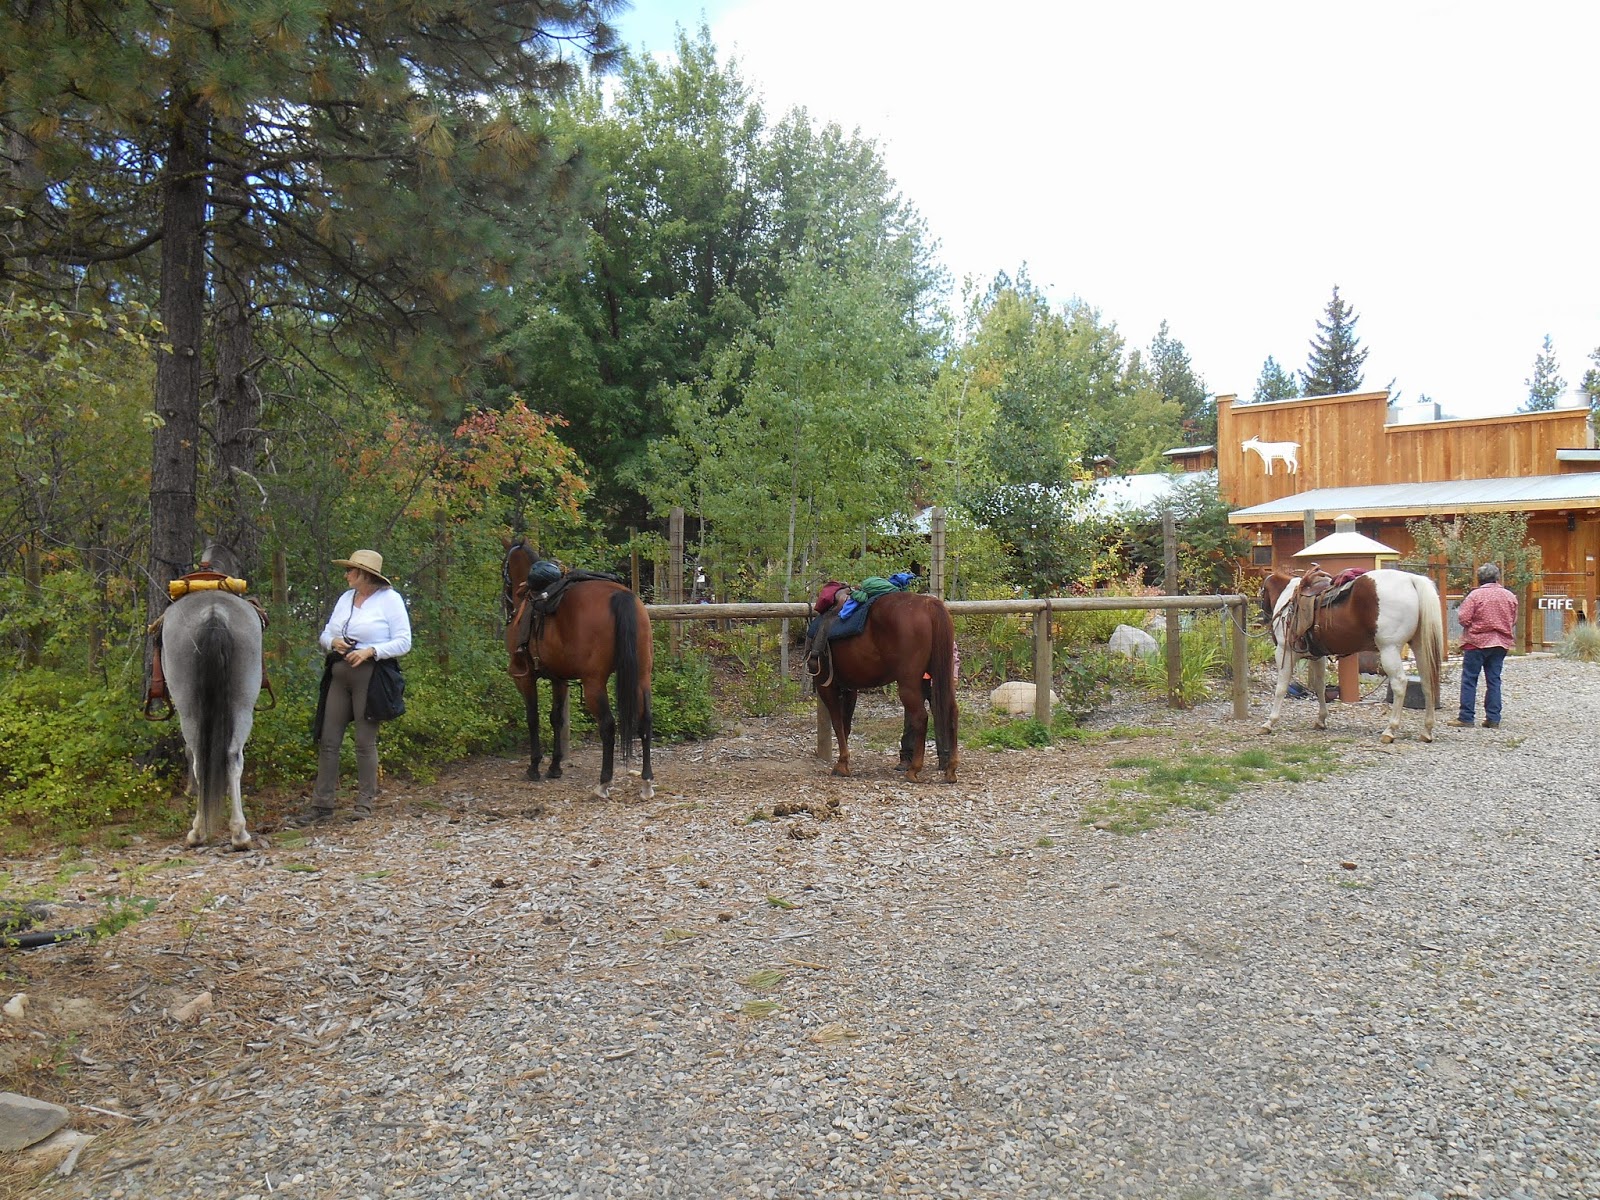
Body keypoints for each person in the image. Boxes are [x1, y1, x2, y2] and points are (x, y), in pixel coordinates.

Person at [288, 549, 412, 826]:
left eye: (351, 570)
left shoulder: (390, 600)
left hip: (370, 675)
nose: (346, 575)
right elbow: (326, 634)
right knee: (329, 740)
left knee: (364, 742)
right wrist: (333, 643)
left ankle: (364, 803)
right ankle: (321, 806)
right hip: (340, 673)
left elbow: (404, 642)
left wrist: (371, 651)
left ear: (365, 574)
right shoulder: (346, 598)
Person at [1451, 562, 1517, 729]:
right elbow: (1513, 620)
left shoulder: (1475, 596)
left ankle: (1466, 717)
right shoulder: (1510, 596)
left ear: (1479, 578)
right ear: (1497, 578)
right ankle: (1493, 718)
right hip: (1500, 643)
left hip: (1476, 643)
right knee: (1494, 680)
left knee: (1469, 679)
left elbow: (1463, 618)